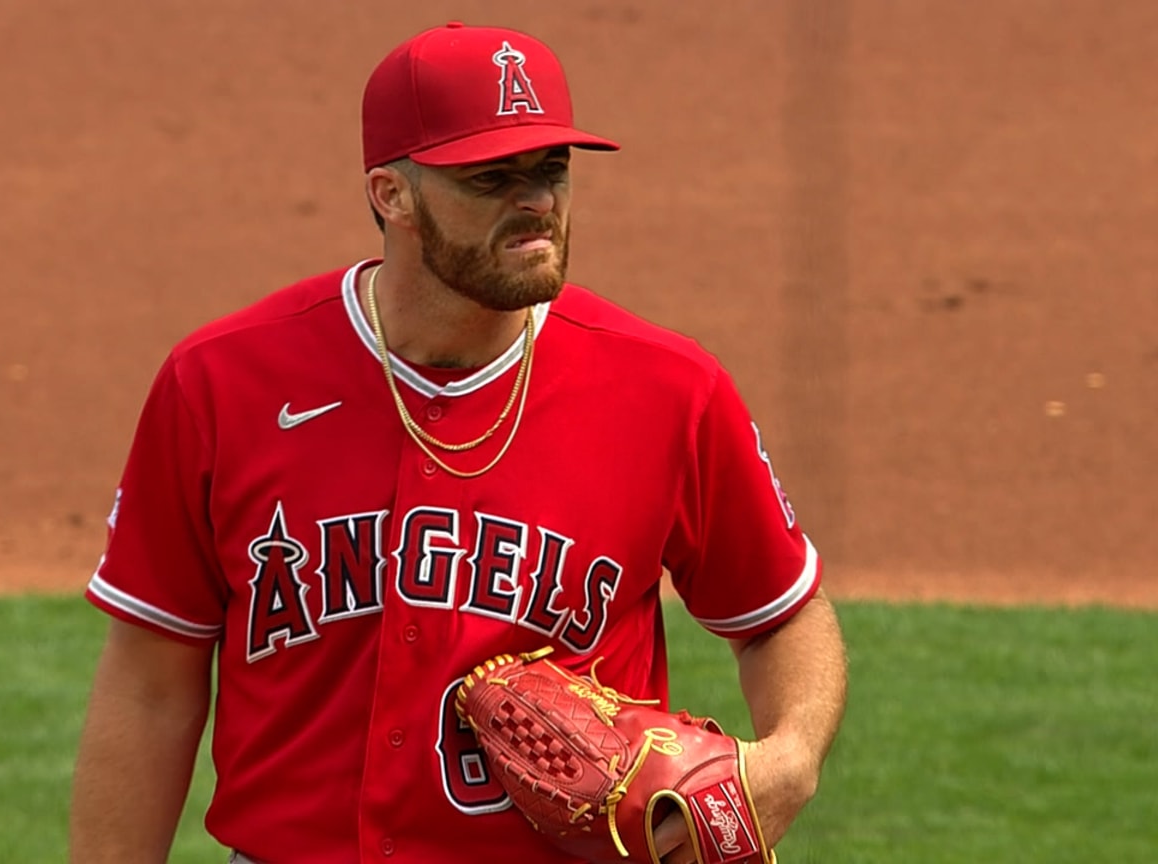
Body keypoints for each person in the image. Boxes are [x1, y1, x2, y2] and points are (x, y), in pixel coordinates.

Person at [69, 20, 848, 864]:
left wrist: (790, 760)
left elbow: (778, 615)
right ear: (391, 194)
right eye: (492, 178)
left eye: (552, 169)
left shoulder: (669, 390)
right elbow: (150, 686)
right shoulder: (222, 384)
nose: (537, 201)